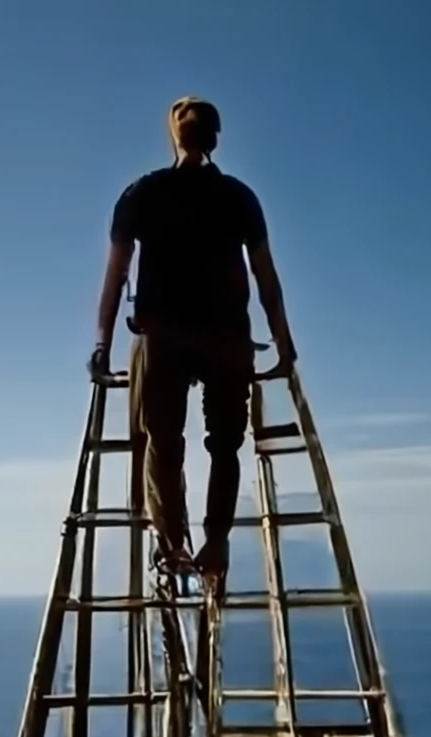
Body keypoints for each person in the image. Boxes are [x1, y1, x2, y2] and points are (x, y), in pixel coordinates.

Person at [88, 96, 297, 581]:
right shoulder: (238, 196)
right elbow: (266, 278)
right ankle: (215, 541)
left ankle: (171, 545)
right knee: (224, 444)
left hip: (165, 337)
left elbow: (116, 276)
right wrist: (283, 344)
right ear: (215, 138)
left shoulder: (143, 192)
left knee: (162, 441)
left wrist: (102, 343)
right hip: (226, 338)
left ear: (173, 136)